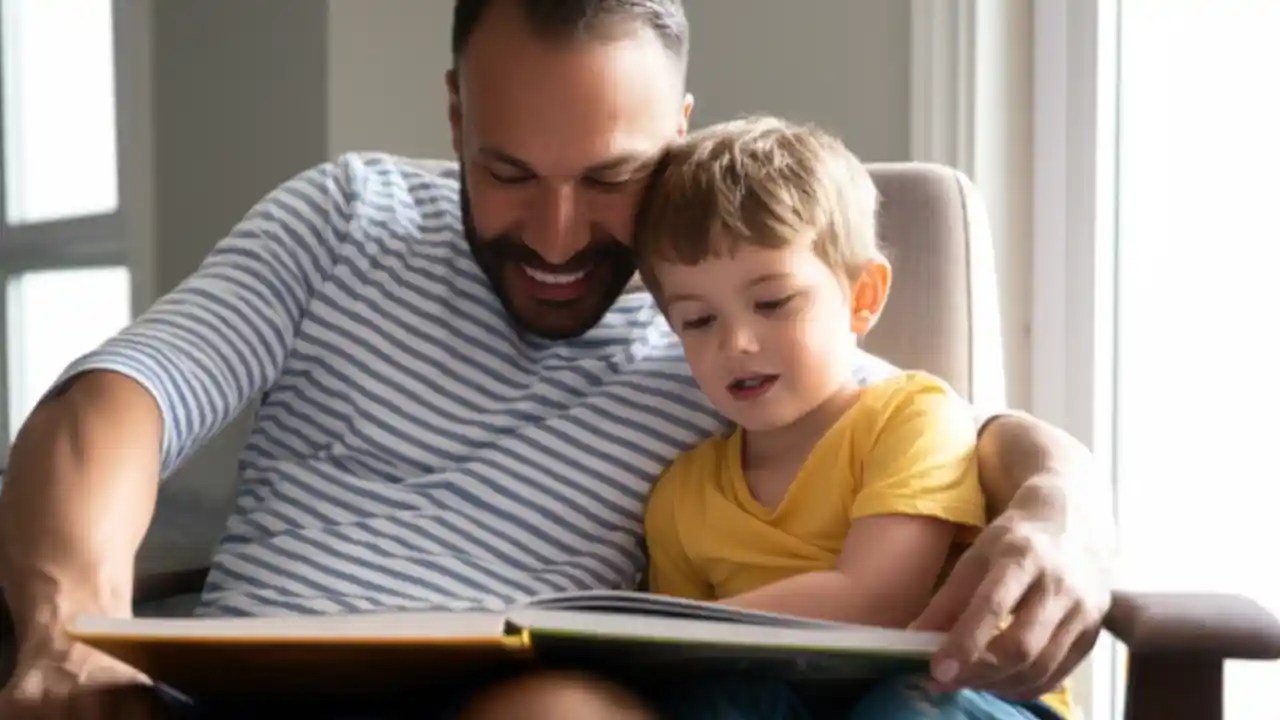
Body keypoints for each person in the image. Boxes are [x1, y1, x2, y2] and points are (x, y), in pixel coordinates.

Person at [0, 0, 1112, 718]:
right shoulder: (344, 214)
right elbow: (119, 398)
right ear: (452, 117)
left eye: (613, 177)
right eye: (511, 172)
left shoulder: (715, 323)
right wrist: (65, 632)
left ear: (678, 130)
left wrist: (1065, 502)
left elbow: (947, 430)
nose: (559, 233)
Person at [629, 115, 1070, 719]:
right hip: (790, 698)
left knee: (902, 707)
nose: (737, 342)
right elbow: (677, 662)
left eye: (773, 303)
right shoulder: (681, 497)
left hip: (951, 691)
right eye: (698, 321)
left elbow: (877, 599)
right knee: (716, 705)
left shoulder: (913, 417)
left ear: (862, 297)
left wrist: (705, 630)